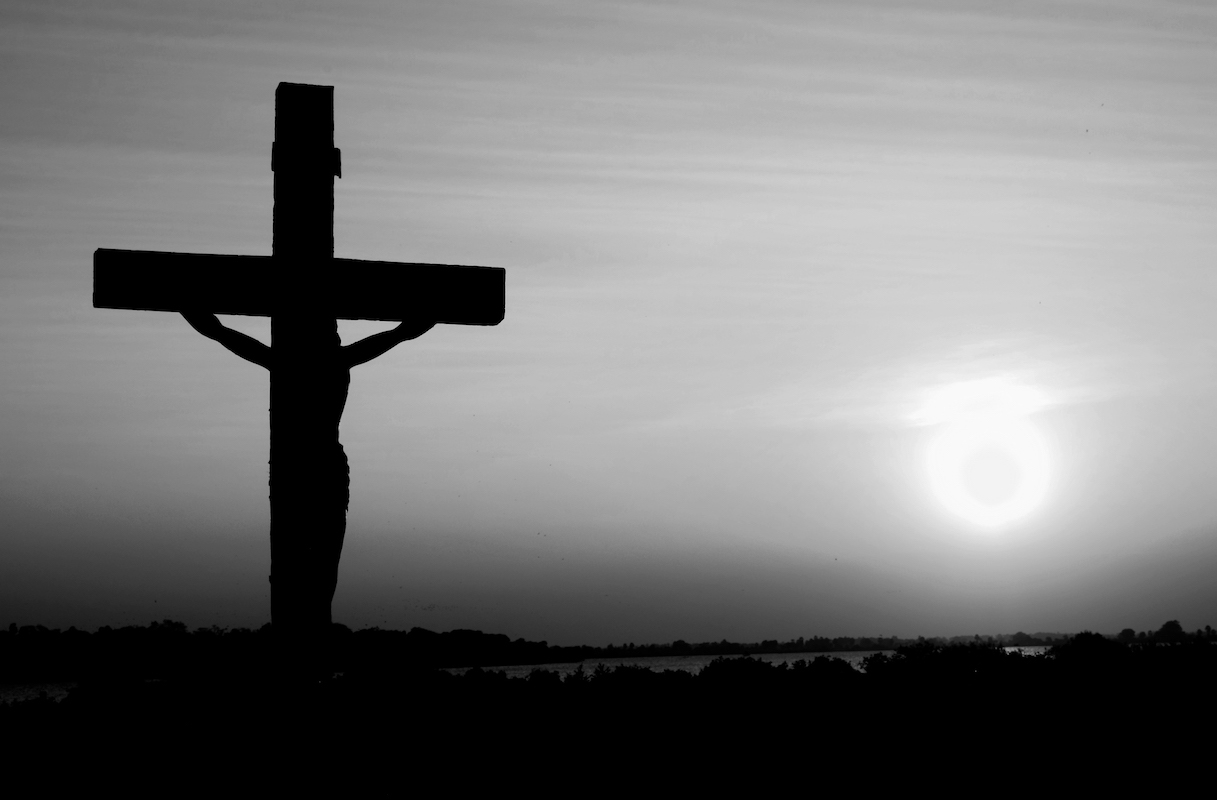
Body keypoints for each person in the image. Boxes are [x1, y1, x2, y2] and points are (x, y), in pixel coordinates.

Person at [180, 310, 435, 641]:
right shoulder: (333, 360)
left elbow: (218, 331)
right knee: (312, 566)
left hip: (308, 468)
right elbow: (403, 331)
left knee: (311, 566)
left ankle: (309, 636)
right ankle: (306, 637)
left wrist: (181, 302)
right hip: (310, 468)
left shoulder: (290, 362)